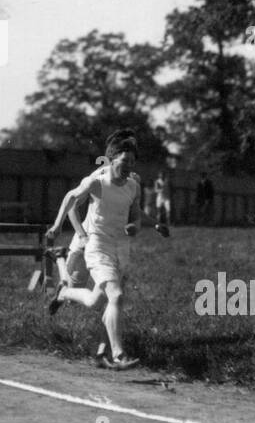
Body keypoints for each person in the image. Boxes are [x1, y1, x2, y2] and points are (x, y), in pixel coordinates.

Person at [44, 130, 165, 370]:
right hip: (96, 245)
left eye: (132, 161)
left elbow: (135, 212)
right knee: (117, 295)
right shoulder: (98, 181)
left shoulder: (133, 186)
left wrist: (153, 224)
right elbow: (71, 198)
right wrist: (58, 225)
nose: (129, 166)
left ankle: (64, 295)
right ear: (111, 159)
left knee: (95, 301)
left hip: (120, 247)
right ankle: (118, 354)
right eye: (124, 161)